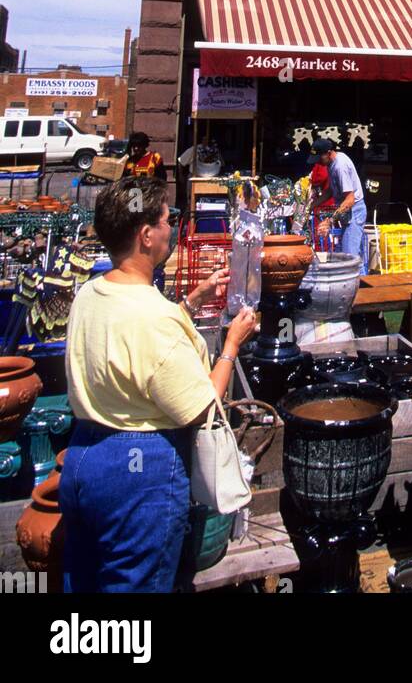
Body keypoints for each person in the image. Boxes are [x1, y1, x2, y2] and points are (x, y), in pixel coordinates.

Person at [60, 176, 257, 592]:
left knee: (84, 584)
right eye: (167, 220)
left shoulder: (90, 294)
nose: (172, 226)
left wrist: (192, 301)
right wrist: (231, 347)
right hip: (139, 471)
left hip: (82, 459)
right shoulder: (152, 315)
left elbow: (138, 352)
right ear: (147, 235)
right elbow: (202, 405)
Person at [310, 137, 368, 273]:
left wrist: (330, 221)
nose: (318, 161)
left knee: (350, 257)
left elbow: (350, 199)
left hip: (354, 211)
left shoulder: (340, 166)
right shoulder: (331, 163)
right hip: (346, 211)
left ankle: (362, 289)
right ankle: (363, 285)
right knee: (352, 254)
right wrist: (312, 205)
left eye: (319, 157)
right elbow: (331, 190)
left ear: (329, 153)